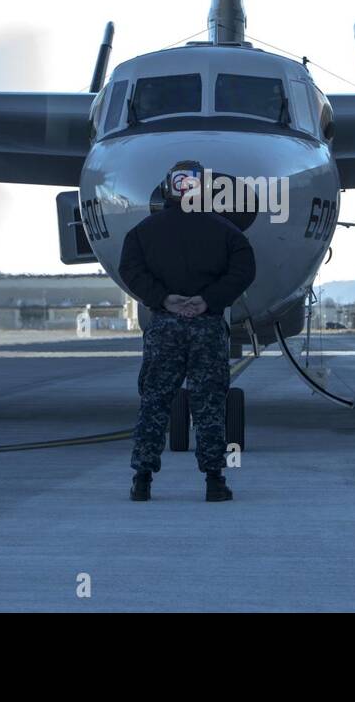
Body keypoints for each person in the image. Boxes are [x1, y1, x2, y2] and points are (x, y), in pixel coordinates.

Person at [118, 160, 257, 502]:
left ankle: (142, 480)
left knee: (153, 402)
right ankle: (214, 480)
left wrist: (163, 299)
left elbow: (130, 271)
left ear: (167, 188)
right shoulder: (227, 233)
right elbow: (243, 272)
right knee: (209, 405)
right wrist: (207, 300)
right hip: (207, 327)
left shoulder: (142, 232)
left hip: (164, 327)